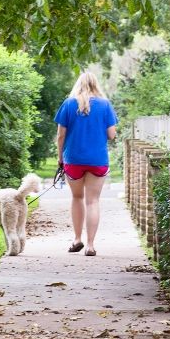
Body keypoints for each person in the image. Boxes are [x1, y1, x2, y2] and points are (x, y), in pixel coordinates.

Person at [54, 70, 117, 257]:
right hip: (97, 160)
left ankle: (77, 239)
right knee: (93, 201)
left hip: (73, 159)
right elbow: (112, 135)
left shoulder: (68, 104)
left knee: (77, 198)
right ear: (96, 84)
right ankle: (90, 245)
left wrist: (60, 158)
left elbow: (60, 135)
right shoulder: (105, 105)